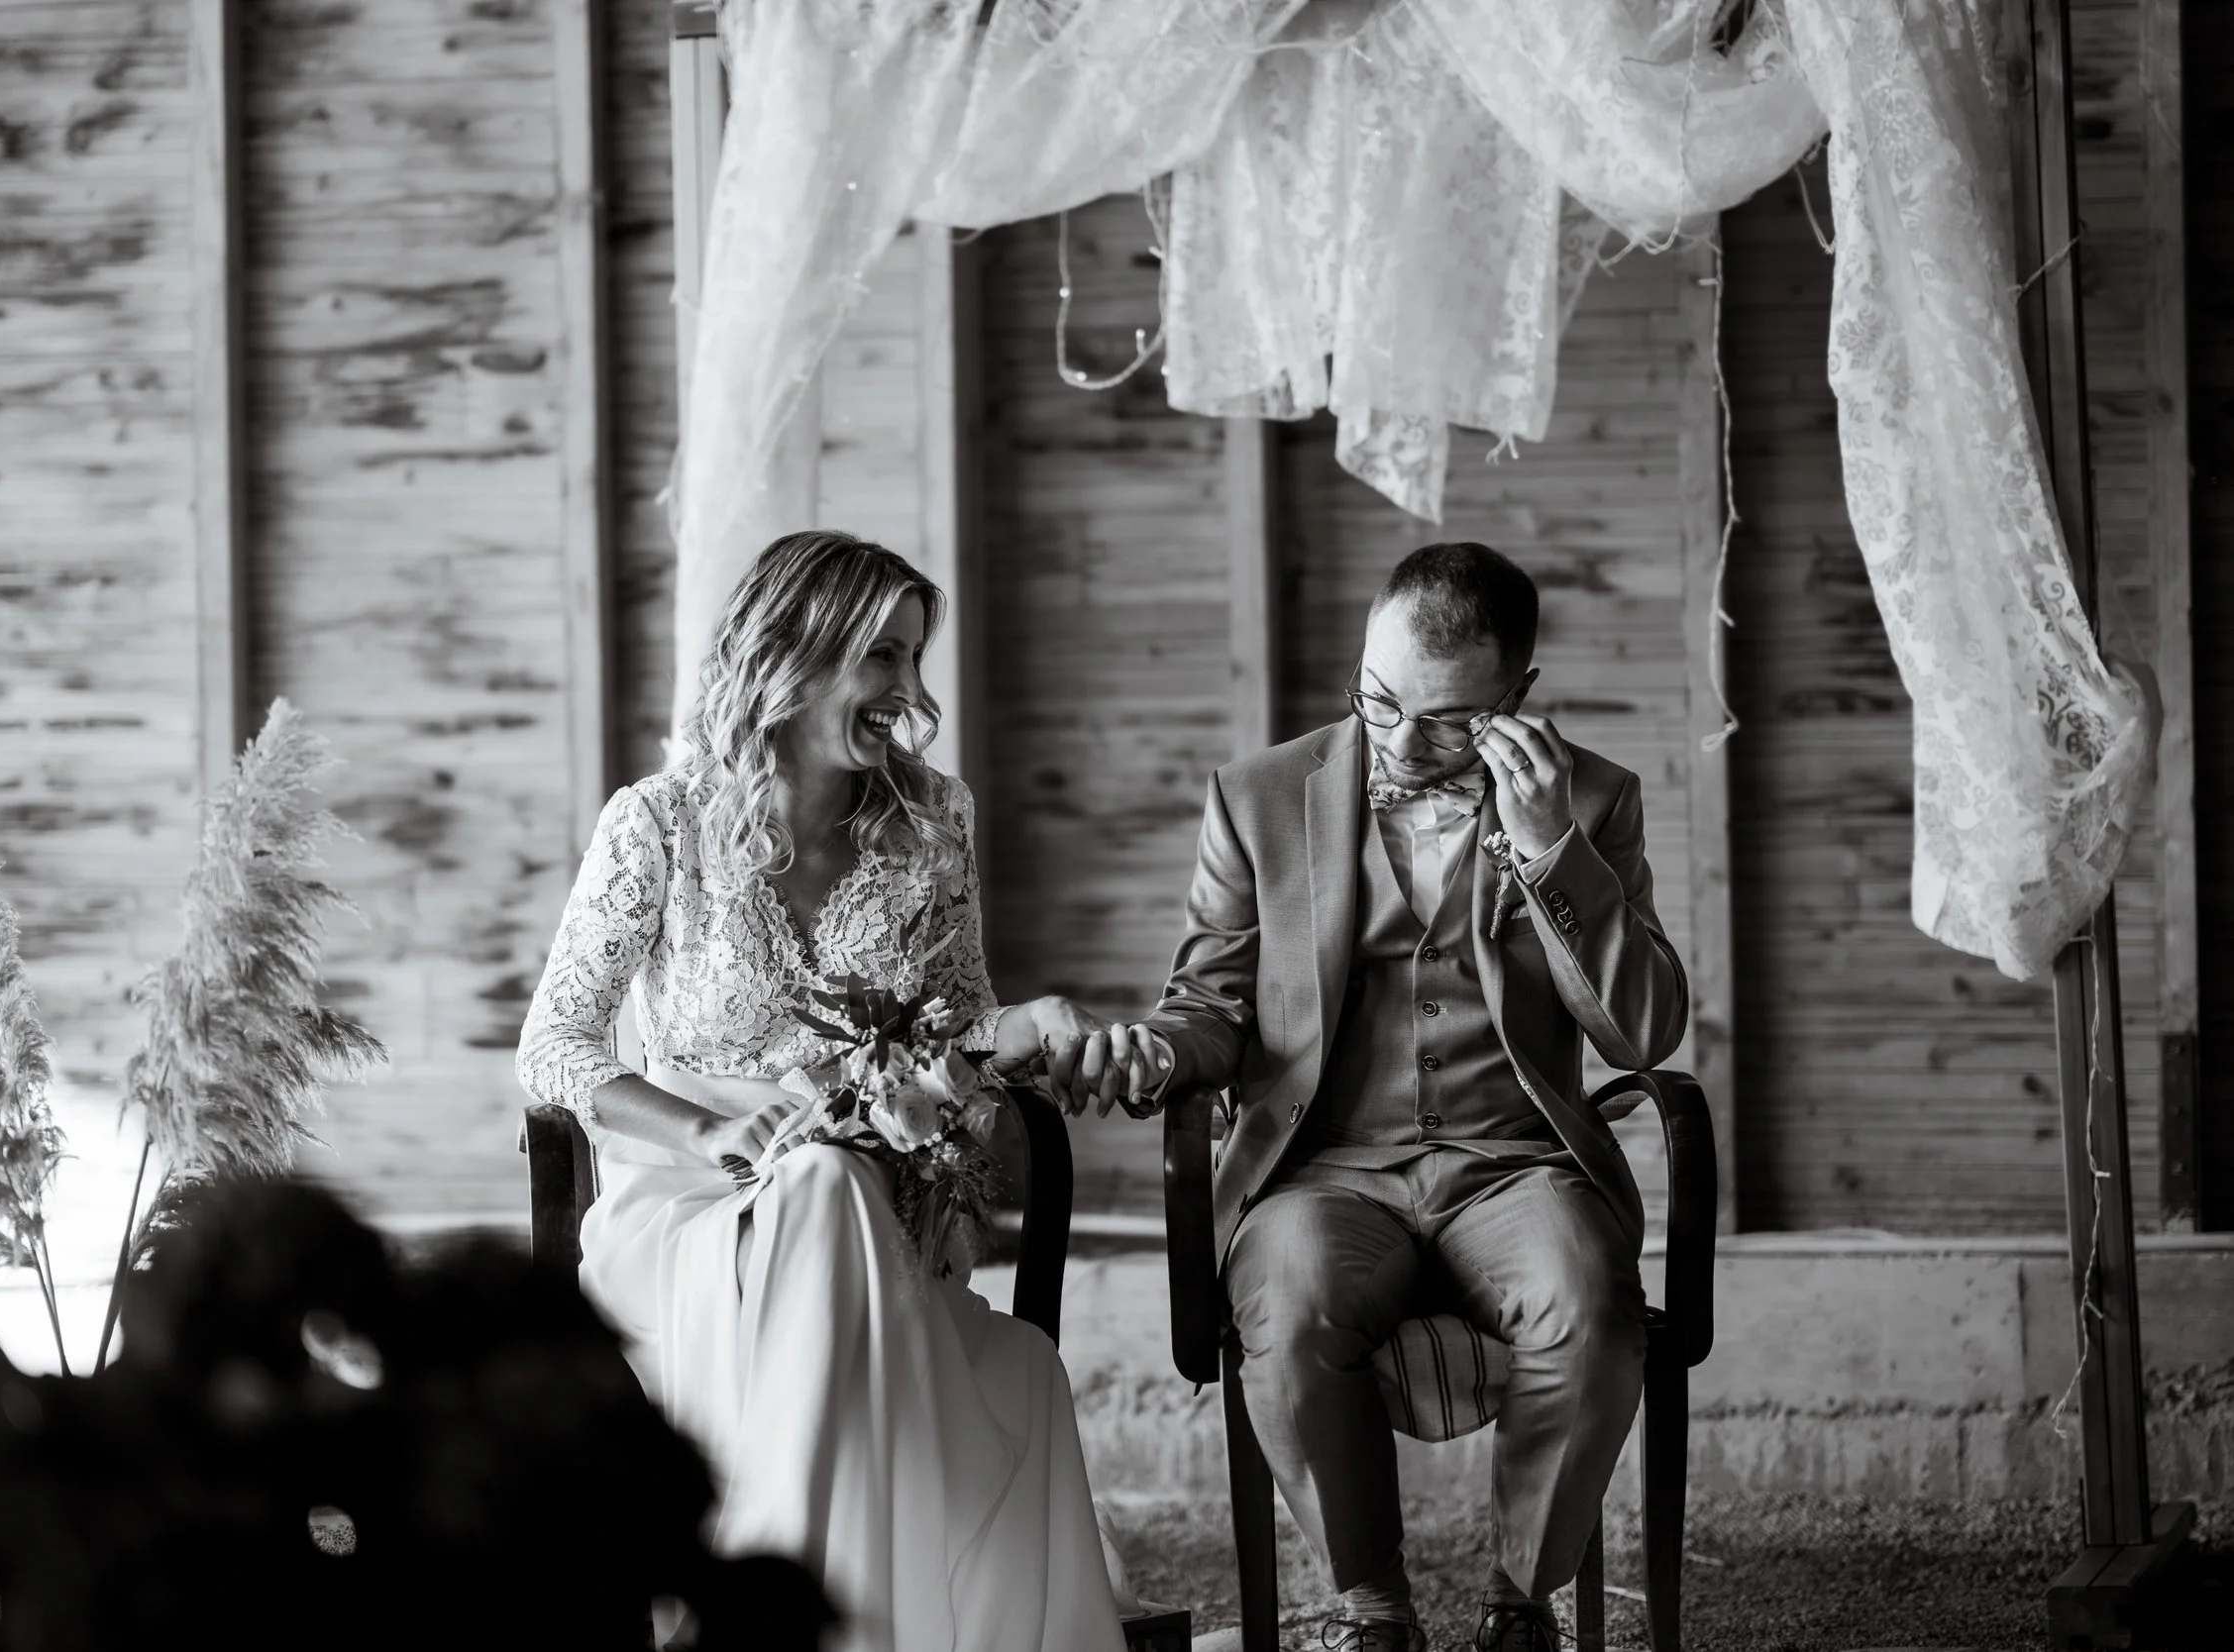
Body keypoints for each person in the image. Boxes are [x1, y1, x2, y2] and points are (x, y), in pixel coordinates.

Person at [1060, 542, 1688, 1652]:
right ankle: (1374, 1614)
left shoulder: (1592, 798)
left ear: (1517, 702)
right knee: (1290, 1307)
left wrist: (1550, 851)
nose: (1401, 743)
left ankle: (1516, 1605)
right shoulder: (1256, 799)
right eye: (1379, 698)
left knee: (1590, 1308)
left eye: (1449, 722)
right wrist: (1156, 1056)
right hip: (1324, 1171)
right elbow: (1208, 1005)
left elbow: (1640, 1032)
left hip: (1516, 1164)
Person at [516, 530, 1134, 1652]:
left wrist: (1031, 1026)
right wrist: (705, 1132)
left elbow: (955, 1020)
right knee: (809, 1183)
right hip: (687, 1215)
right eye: (883, 658)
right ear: (792, 654)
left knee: (968, 1321)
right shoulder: (657, 823)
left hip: (872, 1213)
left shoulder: (933, 821)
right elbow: (553, 1046)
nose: (909, 693)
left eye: (912, 659)